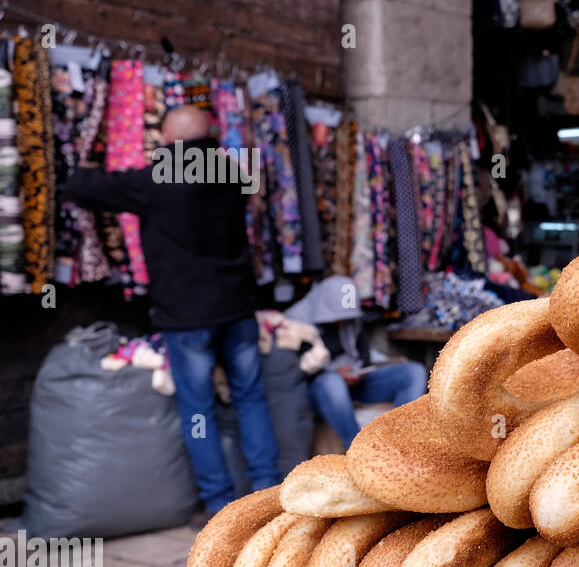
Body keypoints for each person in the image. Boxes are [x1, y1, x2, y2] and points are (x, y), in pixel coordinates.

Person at [62, 105, 278, 518]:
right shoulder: (233, 174)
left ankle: (220, 506)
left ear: (169, 140)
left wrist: (71, 162)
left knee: (198, 409)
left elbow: (85, 186)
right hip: (236, 309)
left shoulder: (159, 179)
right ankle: (268, 497)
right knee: (250, 398)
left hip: (187, 316)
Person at [285, 275, 428, 450]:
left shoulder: (351, 317)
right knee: (332, 383)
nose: (343, 322)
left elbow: (363, 356)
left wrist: (360, 371)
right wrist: (333, 373)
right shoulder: (295, 323)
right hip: (320, 390)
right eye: (339, 317)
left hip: (356, 383)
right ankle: (360, 451)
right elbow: (291, 374)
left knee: (414, 372)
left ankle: (401, 445)